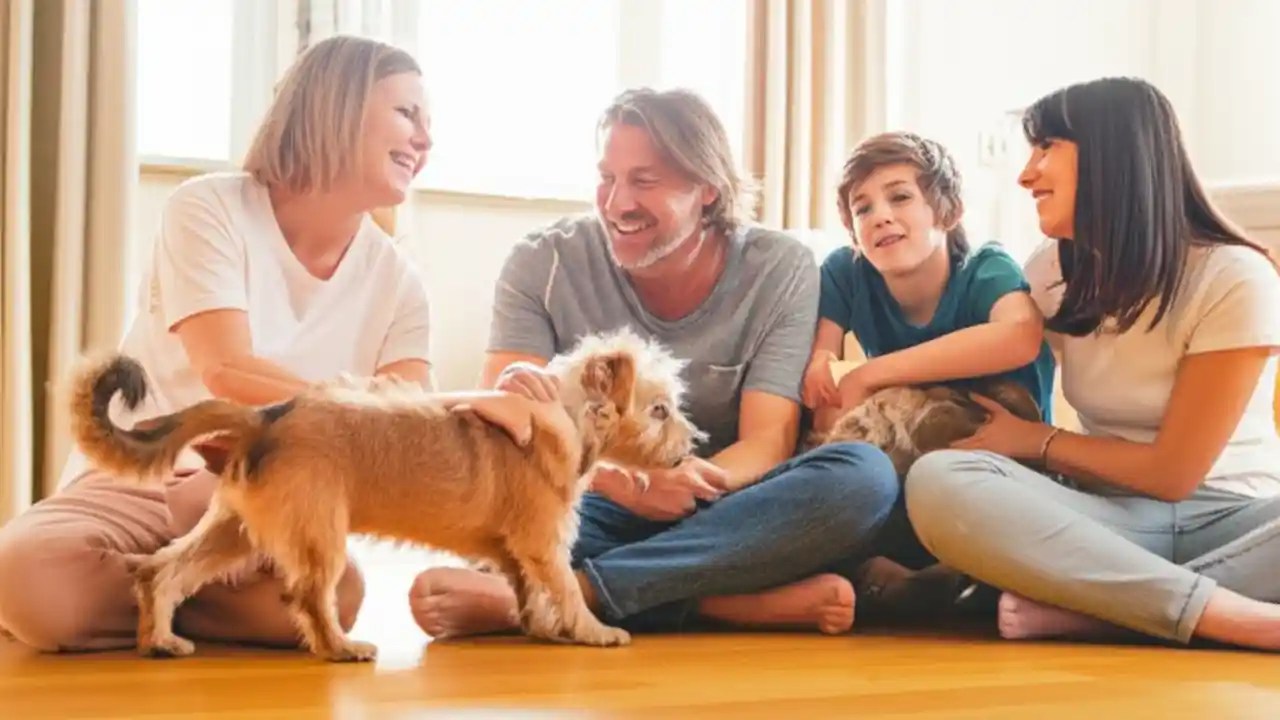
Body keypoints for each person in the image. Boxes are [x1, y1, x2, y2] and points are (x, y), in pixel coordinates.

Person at [0, 35, 534, 653]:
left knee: (338, 598)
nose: (425, 139)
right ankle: (169, 590)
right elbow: (228, 370)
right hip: (152, 477)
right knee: (24, 578)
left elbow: (406, 428)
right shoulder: (209, 207)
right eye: (407, 113)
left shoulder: (399, 282)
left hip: (274, 497)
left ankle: (161, 593)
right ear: (334, 107)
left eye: (427, 123)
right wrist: (445, 403)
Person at [410, 87, 901, 638]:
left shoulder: (780, 269)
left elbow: (767, 441)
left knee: (863, 479)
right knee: (510, 519)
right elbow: (513, 436)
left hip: (725, 502)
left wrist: (683, 483)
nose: (617, 203)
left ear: (707, 190)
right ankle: (725, 601)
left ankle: (574, 596)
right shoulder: (541, 262)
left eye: (645, 181)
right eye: (607, 178)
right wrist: (632, 486)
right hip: (594, 495)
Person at [904, 76, 1280, 651]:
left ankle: (1111, 612)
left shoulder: (1233, 276)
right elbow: (983, 345)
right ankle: (1197, 610)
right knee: (938, 482)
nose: (1026, 174)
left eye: (1046, 147)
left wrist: (1039, 441)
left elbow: (1173, 474)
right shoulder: (1048, 272)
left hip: (1237, 520)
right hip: (1108, 523)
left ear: (1115, 156)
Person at [801, 131, 1057, 616]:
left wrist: (875, 372)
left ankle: (953, 572)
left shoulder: (985, 269)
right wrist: (822, 366)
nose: (880, 215)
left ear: (949, 210)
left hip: (1000, 461)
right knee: (833, 444)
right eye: (862, 209)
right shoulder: (845, 273)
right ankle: (915, 573)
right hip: (905, 465)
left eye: (900, 197)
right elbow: (827, 378)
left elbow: (1019, 335)